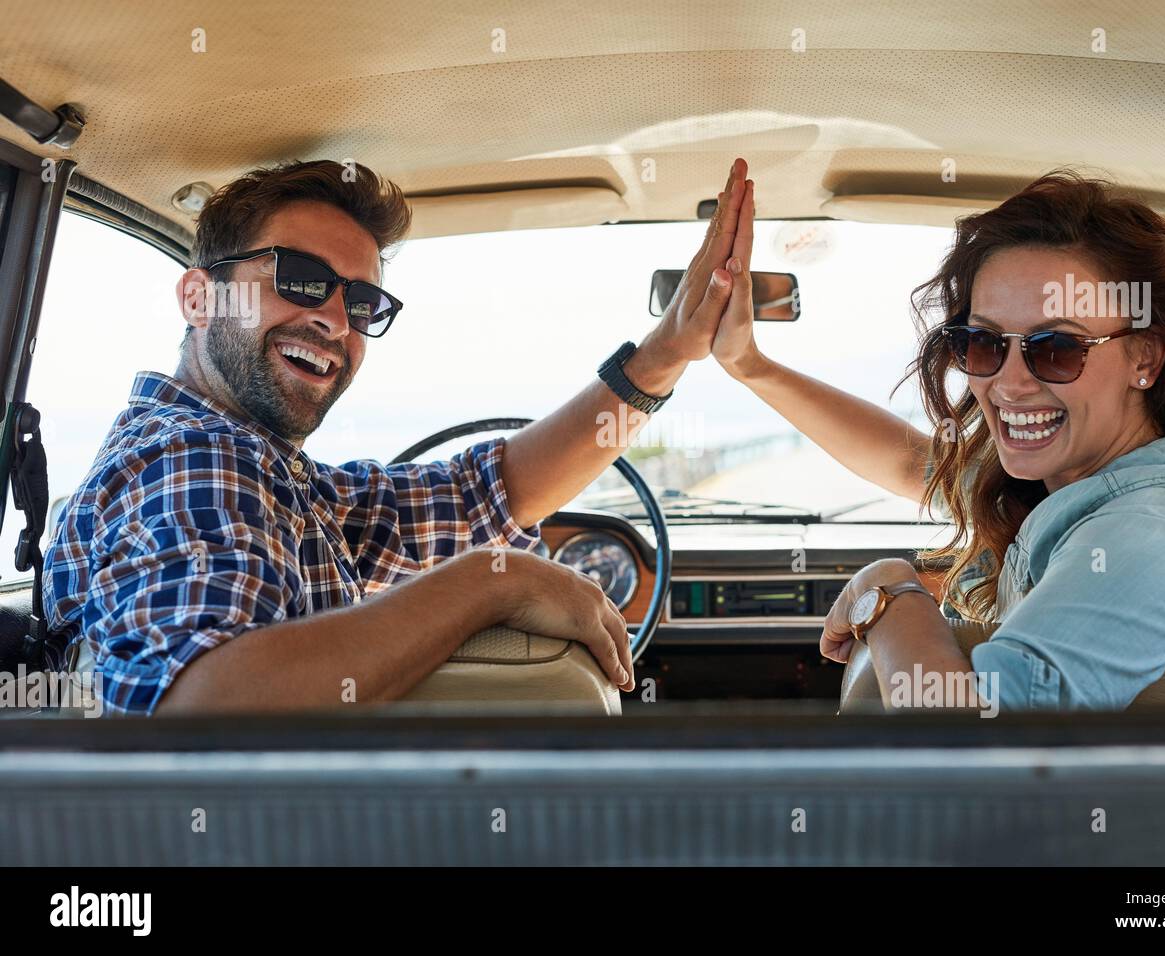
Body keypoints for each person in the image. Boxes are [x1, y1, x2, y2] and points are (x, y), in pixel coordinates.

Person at [43, 157, 757, 715]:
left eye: (362, 302)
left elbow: (487, 493)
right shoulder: (194, 458)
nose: (335, 319)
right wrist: (491, 582)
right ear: (199, 297)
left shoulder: (271, 473)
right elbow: (204, 711)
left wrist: (666, 353)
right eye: (297, 279)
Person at [711, 170, 1165, 710]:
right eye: (985, 345)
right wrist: (749, 364)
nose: (1008, 383)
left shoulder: (1148, 530)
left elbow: (977, 743)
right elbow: (915, 462)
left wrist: (888, 594)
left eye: (1057, 348)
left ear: (1147, 355)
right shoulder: (1101, 478)